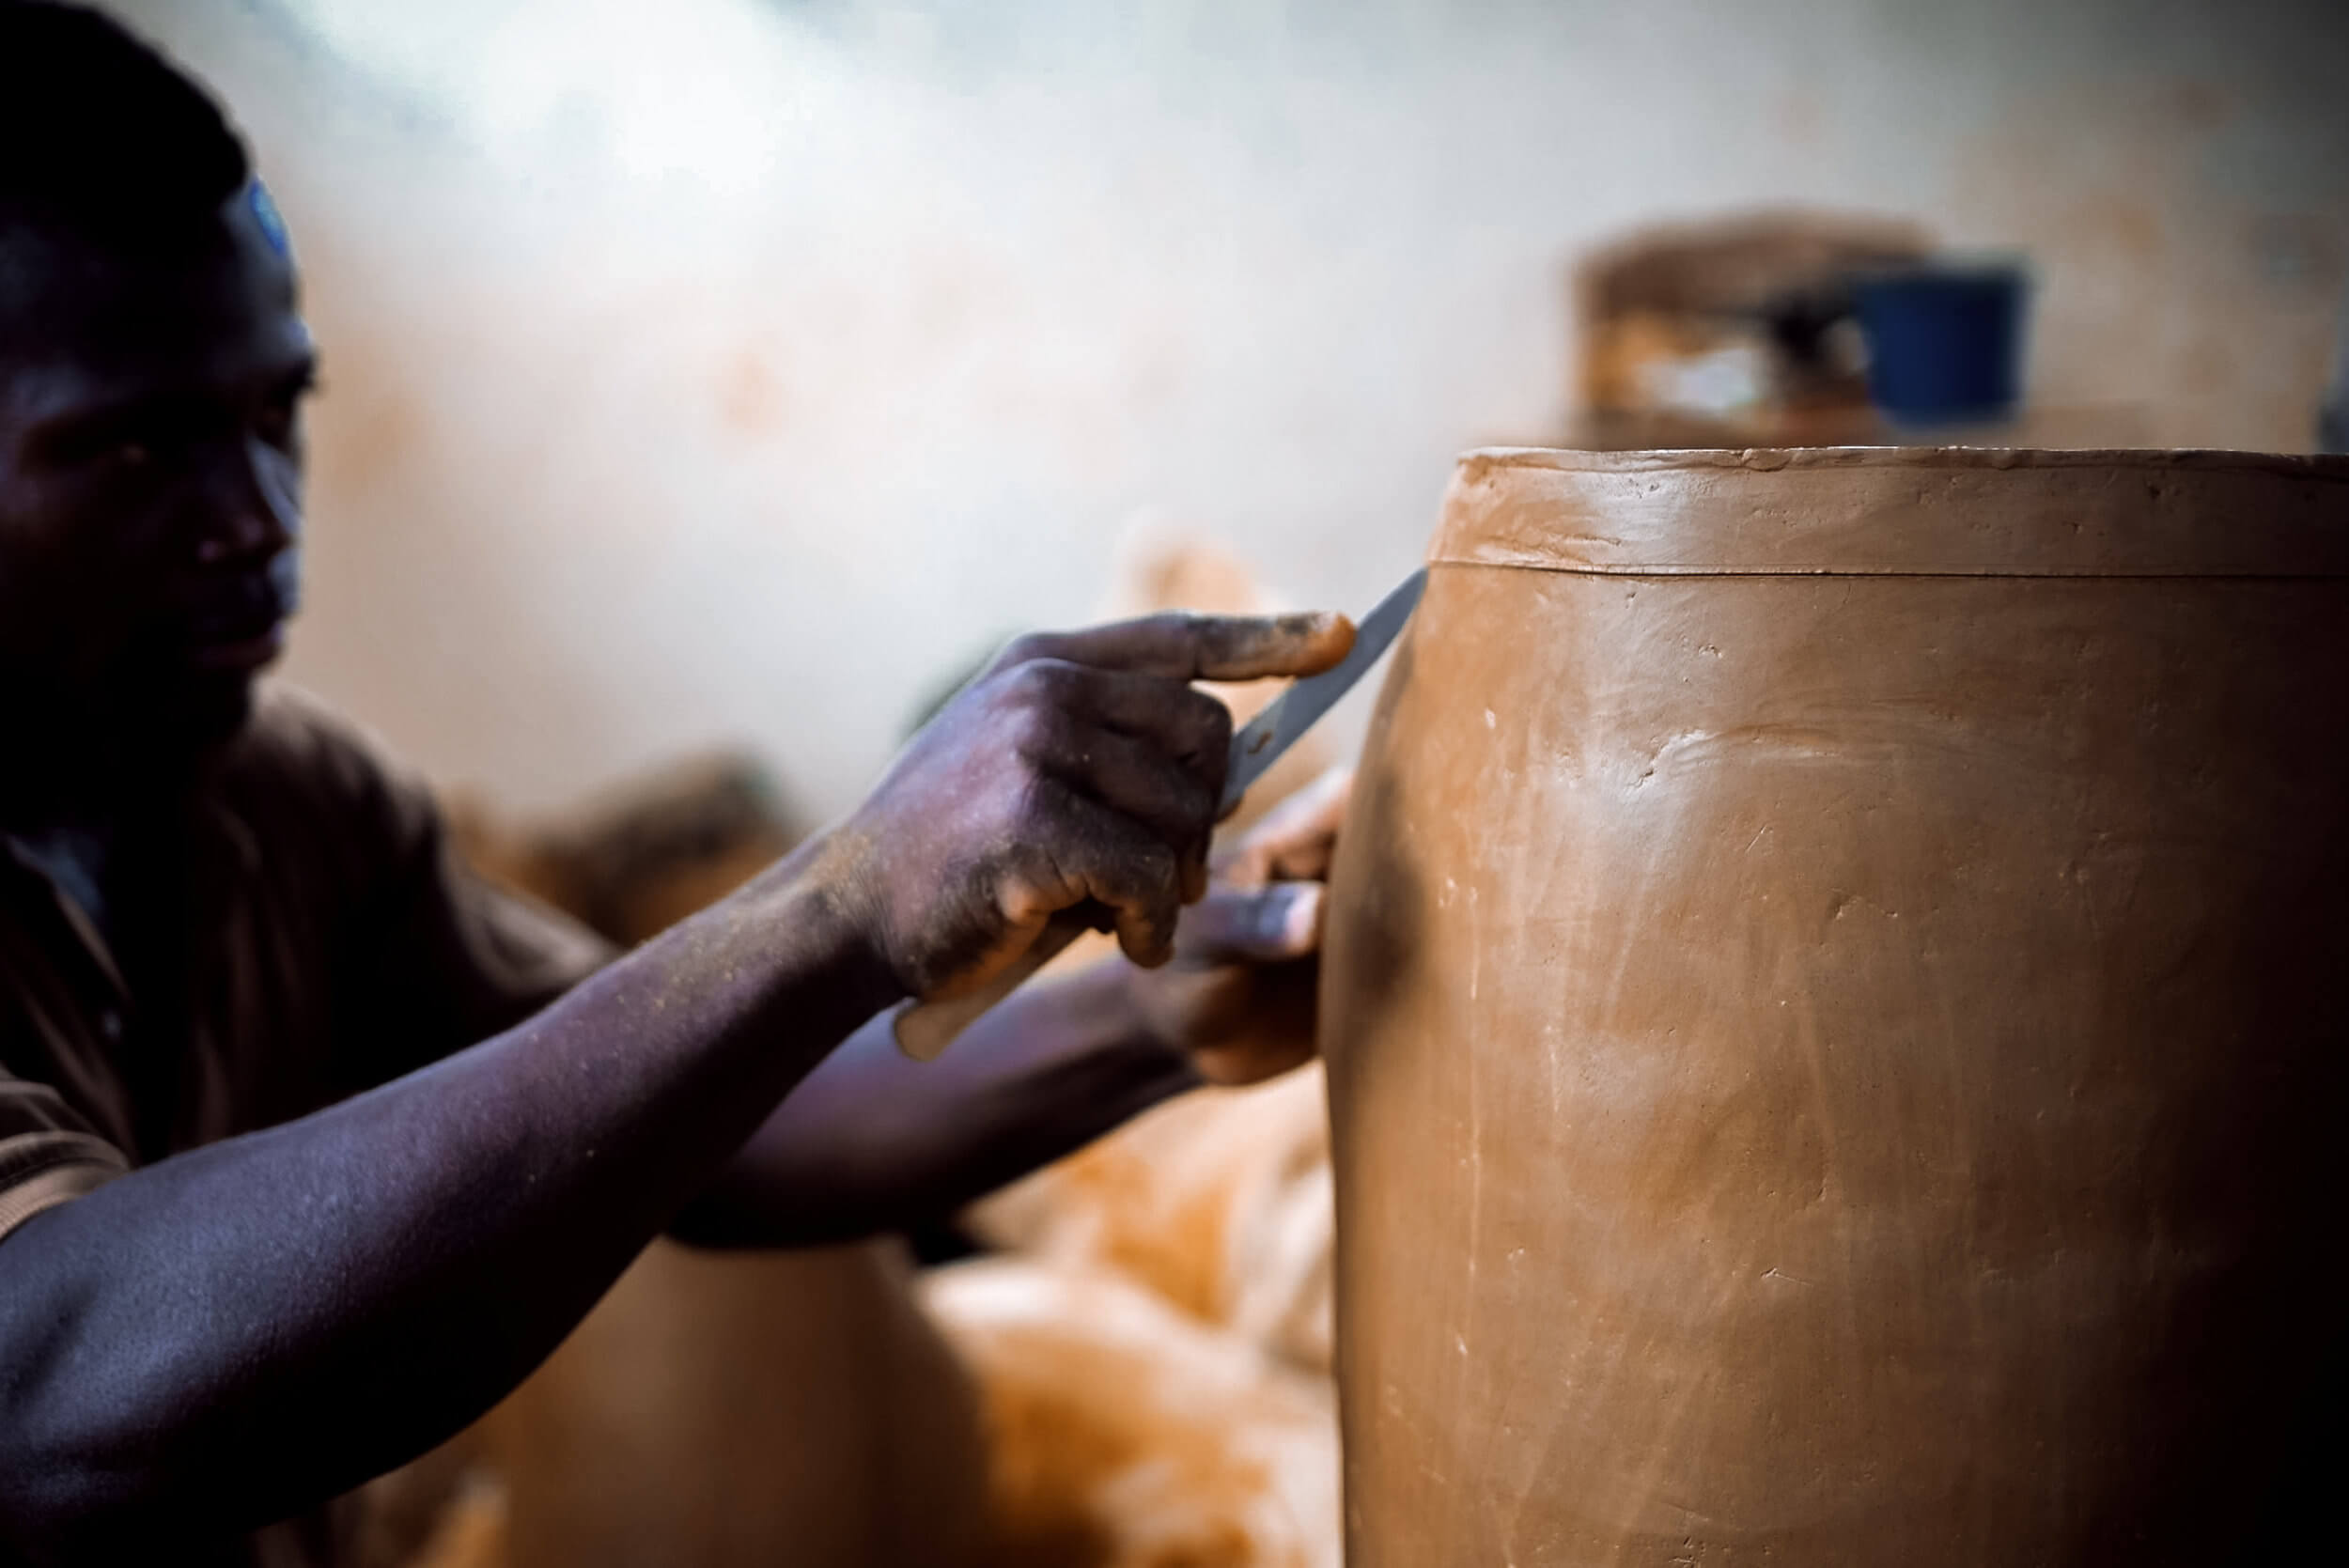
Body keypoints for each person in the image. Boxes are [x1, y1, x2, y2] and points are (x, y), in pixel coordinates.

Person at [0, 5, 1355, 1561]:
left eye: (273, 416)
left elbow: (716, 1128)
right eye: (133, 448)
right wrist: (843, 898)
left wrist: (1158, 1014)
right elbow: (53, 1381)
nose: (256, 515)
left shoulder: (285, 803)